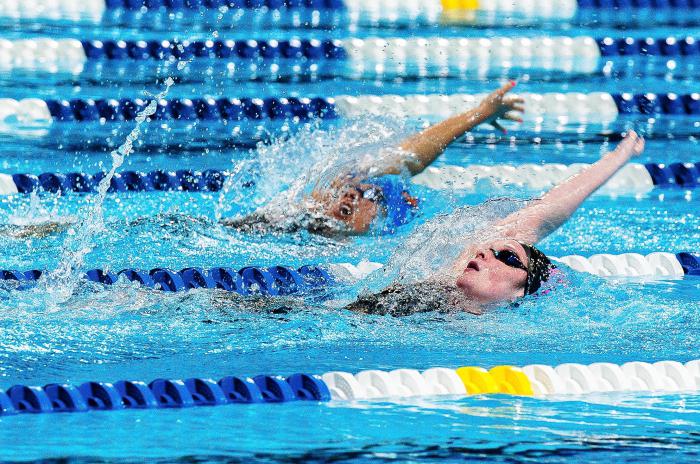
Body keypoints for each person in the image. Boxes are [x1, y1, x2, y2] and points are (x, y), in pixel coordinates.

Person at [346, 130, 646, 315]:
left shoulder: (507, 339)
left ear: (521, 293)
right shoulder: (442, 281)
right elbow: (547, 210)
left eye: (506, 257)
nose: (485, 252)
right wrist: (618, 156)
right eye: (491, 249)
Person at [222, 81, 525, 236]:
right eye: (358, 185)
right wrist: (479, 114)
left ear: (379, 223)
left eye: (374, 196)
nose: (356, 192)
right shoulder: (282, 212)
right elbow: (412, 155)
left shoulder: (335, 261)